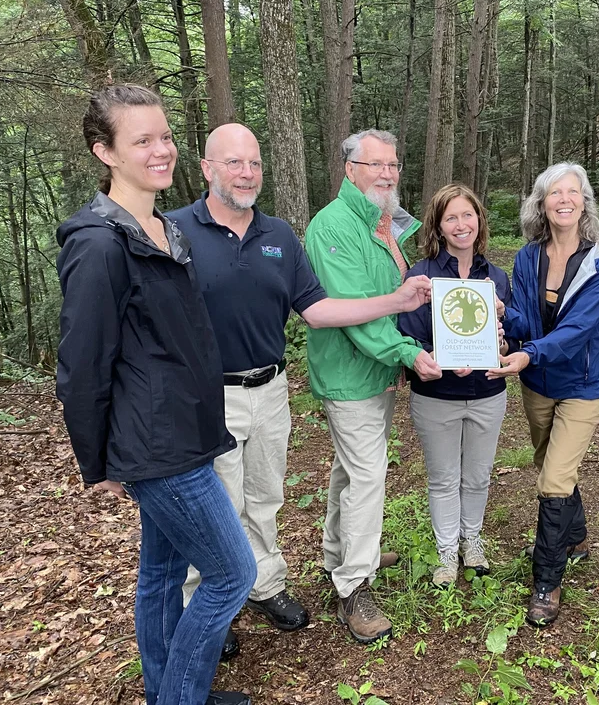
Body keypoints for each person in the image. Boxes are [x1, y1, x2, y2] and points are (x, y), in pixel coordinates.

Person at [168, 124, 433, 657]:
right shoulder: (173, 232)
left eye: (254, 163)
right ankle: (209, 612)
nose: (246, 173)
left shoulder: (282, 236)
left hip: (273, 387)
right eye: (234, 163)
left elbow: (318, 308)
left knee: (266, 497)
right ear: (206, 168)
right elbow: (345, 311)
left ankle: (266, 583)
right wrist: (405, 346)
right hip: (208, 393)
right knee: (215, 505)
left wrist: (413, 318)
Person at [56, 85, 255, 705]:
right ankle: (180, 696)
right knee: (232, 574)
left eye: (165, 136)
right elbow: (82, 367)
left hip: (188, 429)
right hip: (157, 446)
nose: (161, 149)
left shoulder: (165, 227)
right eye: (142, 140)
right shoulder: (98, 245)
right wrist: (100, 462)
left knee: (163, 572)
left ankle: (164, 687)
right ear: (105, 152)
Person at [304, 129, 443, 643]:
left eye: (394, 164)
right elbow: (355, 313)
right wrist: (408, 353)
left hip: (376, 374)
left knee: (350, 469)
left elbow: (397, 295)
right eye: (375, 164)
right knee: (368, 475)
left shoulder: (383, 224)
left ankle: (339, 554)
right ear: (349, 169)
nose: (387, 172)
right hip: (349, 374)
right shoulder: (333, 227)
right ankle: (354, 586)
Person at [487, 162, 599, 627]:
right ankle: (577, 536)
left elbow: (579, 329)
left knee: (552, 481)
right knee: (554, 467)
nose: (564, 199)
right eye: (554, 193)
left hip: (584, 384)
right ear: (541, 204)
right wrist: (505, 316)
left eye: (573, 192)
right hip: (539, 384)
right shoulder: (527, 258)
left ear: (584, 201)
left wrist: (527, 355)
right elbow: (527, 320)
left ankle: (547, 579)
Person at [398, 183, 511, 586]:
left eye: (468, 215)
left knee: (478, 476)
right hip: (436, 398)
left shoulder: (495, 278)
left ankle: (472, 541)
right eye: (451, 218)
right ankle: (447, 551)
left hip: (487, 395)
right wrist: (444, 361)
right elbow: (409, 337)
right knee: (444, 477)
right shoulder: (421, 276)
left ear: (479, 221)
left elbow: (508, 337)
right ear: (438, 227)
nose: (461, 224)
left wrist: (500, 341)